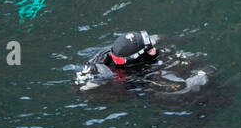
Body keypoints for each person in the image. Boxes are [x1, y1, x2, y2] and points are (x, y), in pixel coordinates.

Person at [76, 30, 213, 94]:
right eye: (149, 49)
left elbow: (157, 37)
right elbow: (180, 87)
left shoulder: (109, 54)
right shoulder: (145, 76)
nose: (154, 49)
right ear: (138, 58)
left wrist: (183, 38)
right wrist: (203, 74)